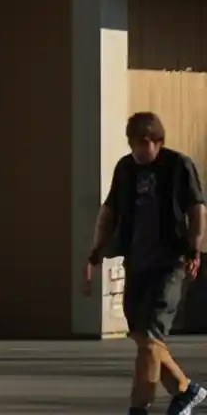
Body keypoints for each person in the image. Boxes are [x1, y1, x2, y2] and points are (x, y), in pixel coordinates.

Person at [84, 112, 207, 415]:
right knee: (142, 337)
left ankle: (139, 408)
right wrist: (95, 253)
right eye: (132, 143)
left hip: (170, 264)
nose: (138, 150)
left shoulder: (178, 166)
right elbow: (109, 212)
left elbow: (197, 209)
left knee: (151, 336)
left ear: (157, 141)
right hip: (137, 265)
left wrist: (194, 249)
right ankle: (185, 389)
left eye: (143, 144)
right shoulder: (126, 169)